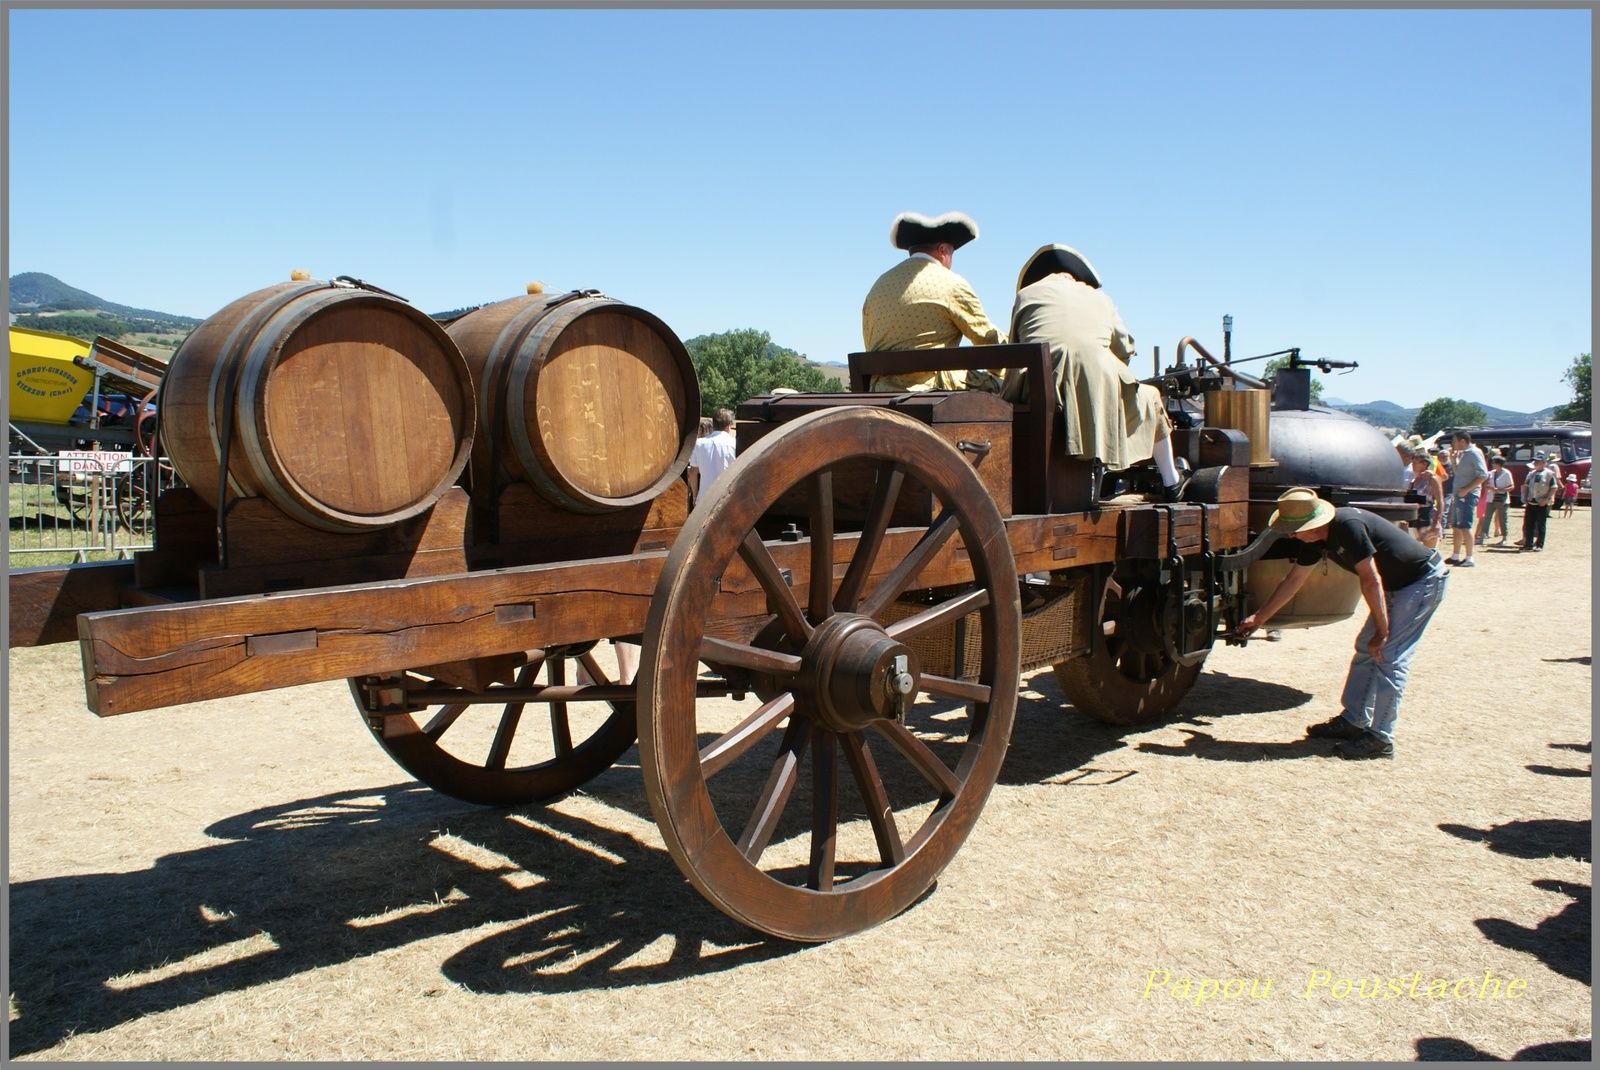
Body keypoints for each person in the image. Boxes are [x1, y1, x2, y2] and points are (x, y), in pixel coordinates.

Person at [1240, 487, 1449, 760]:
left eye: (1294, 529)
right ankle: (1354, 721)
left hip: (1420, 582)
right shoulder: (1316, 541)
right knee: (1366, 648)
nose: (1291, 535)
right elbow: (1292, 581)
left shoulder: (1348, 526)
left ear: (1312, 525)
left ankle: (1380, 739)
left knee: (1388, 655)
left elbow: (1370, 579)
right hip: (1397, 585)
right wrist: (1260, 618)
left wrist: (1383, 632)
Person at [1001, 243, 1186, 501]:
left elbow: (1015, 348)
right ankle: (1171, 481)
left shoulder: (1027, 295)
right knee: (1152, 397)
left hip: (1036, 391)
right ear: (1077, 276)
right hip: (1092, 393)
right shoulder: (1101, 299)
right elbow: (1124, 349)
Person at [861, 211, 1006, 392]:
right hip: (934, 390)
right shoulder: (951, 283)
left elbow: (870, 343)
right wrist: (1007, 369)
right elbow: (987, 339)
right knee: (1006, 388)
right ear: (943, 250)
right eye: (952, 253)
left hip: (880, 390)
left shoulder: (879, 286)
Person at [1444, 430, 1487, 567]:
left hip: (1467, 495)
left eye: (1454, 441)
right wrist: (1453, 461)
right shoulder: (1465, 454)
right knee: (1457, 526)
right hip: (1460, 494)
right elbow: (1459, 474)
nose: (1452, 444)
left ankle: (1469, 558)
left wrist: (1466, 490)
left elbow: (1483, 474)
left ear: (1462, 441)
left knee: (1465, 526)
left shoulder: (1474, 453)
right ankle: (1455, 555)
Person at [1405, 450, 1446, 549]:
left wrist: (1436, 522)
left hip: (1428, 518)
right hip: (1414, 519)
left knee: (1430, 552)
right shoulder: (1415, 480)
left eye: (1415, 462)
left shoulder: (1432, 478)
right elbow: (1413, 501)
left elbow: (1440, 501)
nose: (1412, 465)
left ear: (1424, 463)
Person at [690, 408, 738, 491]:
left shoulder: (698, 444)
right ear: (729, 425)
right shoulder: (735, 444)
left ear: (714, 423)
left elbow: (693, 472)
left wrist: (694, 497)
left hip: (704, 498)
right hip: (727, 497)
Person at [1520, 453, 1559, 551]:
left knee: (1541, 524)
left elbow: (1554, 487)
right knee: (1529, 524)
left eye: (1538, 461)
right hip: (1531, 502)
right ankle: (1528, 544)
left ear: (1544, 463)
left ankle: (1539, 545)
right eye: (1535, 461)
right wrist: (1525, 498)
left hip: (1541, 503)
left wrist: (1547, 499)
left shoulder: (1549, 474)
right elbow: (1526, 486)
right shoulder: (1531, 474)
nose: (1536, 463)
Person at [1475, 455, 1514, 546]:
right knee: (1486, 518)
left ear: (1499, 464)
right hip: (1490, 498)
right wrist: (1488, 486)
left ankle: (1504, 538)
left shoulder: (1506, 473)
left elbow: (1512, 486)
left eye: (1494, 463)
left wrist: (1499, 490)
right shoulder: (1491, 473)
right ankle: (1482, 536)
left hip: (1502, 499)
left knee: (1502, 519)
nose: (1492, 464)